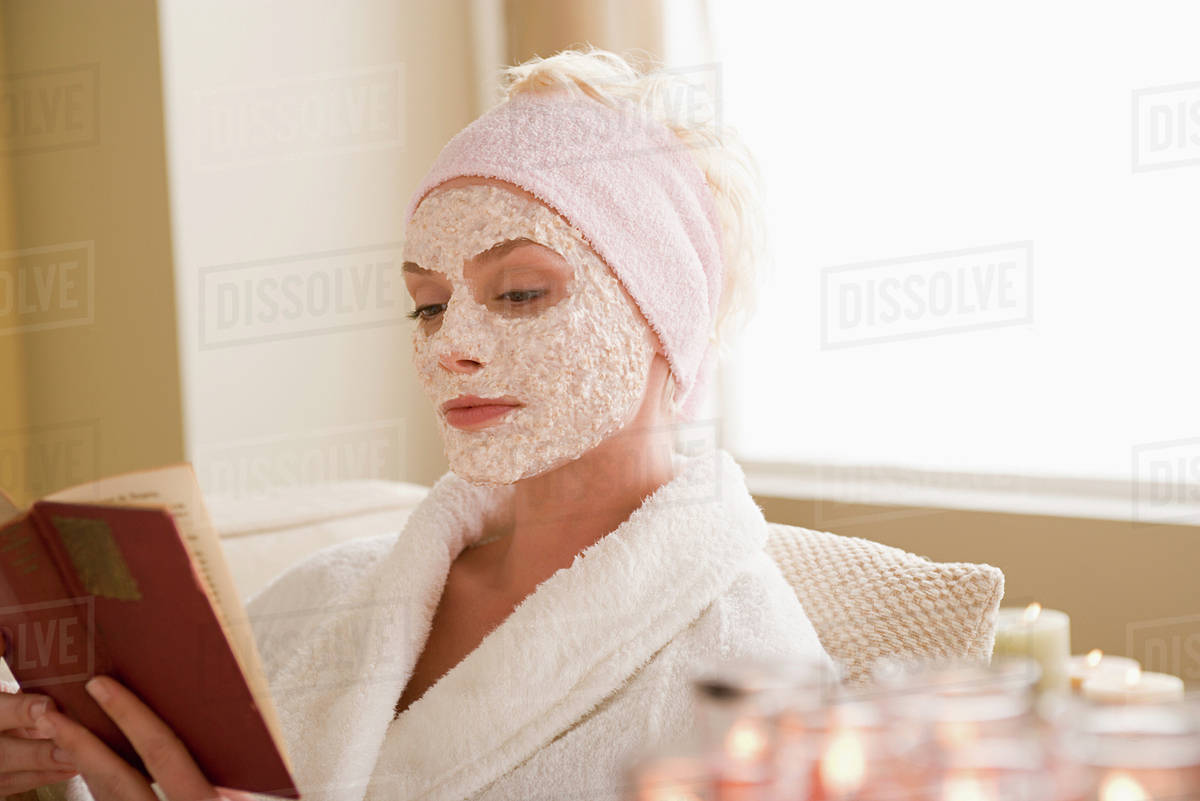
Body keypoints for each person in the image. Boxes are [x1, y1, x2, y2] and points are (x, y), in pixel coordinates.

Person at [4, 47, 835, 801]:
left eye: (519, 292)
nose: (452, 348)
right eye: (428, 306)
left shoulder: (754, 681)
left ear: (667, 318)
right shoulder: (325, 597)